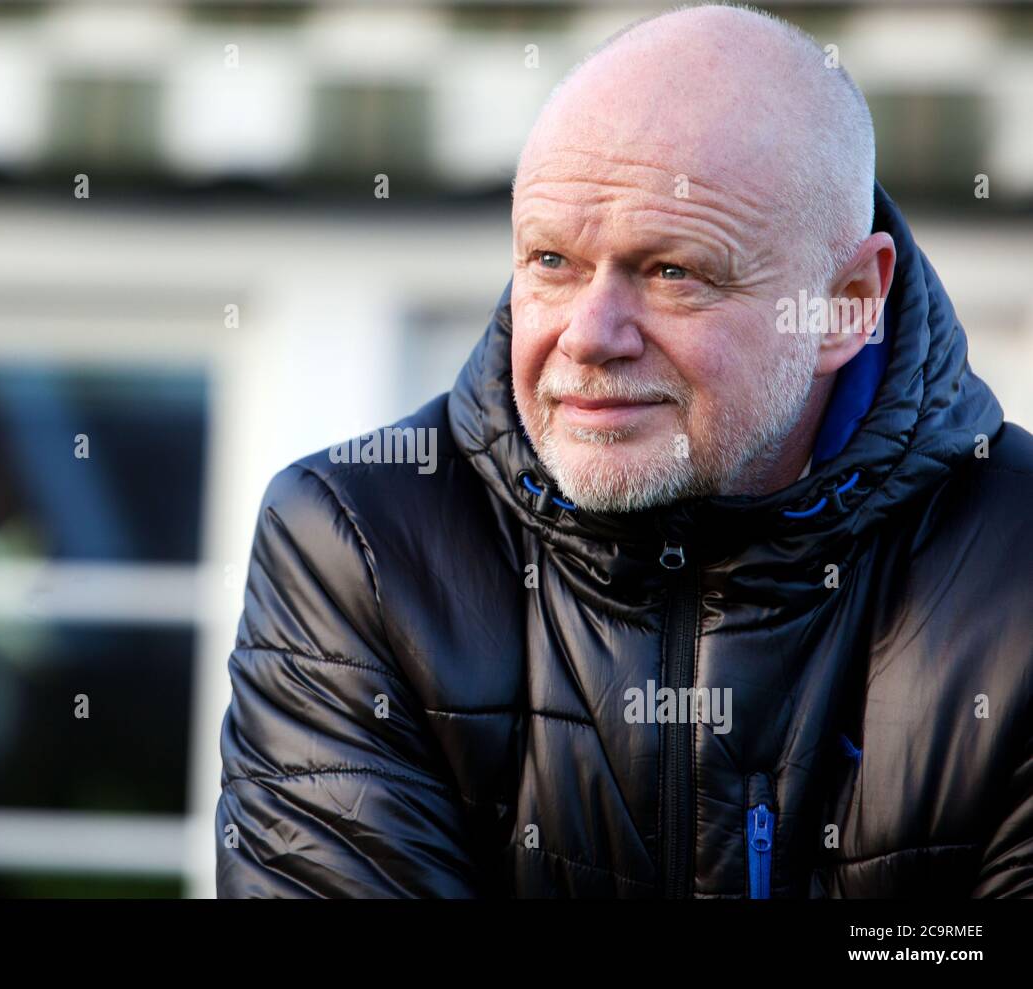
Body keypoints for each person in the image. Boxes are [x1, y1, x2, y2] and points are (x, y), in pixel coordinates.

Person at [214, 3, 1033, 898]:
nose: (590, 335)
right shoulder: (361, 543)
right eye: (551, 262)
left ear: (846, 303)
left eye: (672, 271)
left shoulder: (1016, 568)